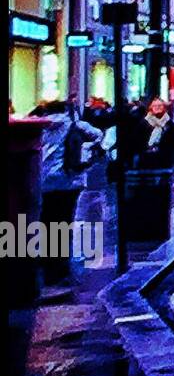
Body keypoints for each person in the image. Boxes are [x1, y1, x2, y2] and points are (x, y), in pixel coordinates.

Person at [31, 100, 103, 284]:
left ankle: (47, 262)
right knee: (64, 221)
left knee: (46, 221)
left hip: (44, 180)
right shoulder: (73, 124)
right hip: (69, 180)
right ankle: (61, 265)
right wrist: (86, 148)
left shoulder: (40, 126)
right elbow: (98, 135)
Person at [137, 97, 174, 169]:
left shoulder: (169, 123)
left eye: (160, 106)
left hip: (164, 157)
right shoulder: (144, 122)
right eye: (155, 106)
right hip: (147, 158)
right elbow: (139, 139)